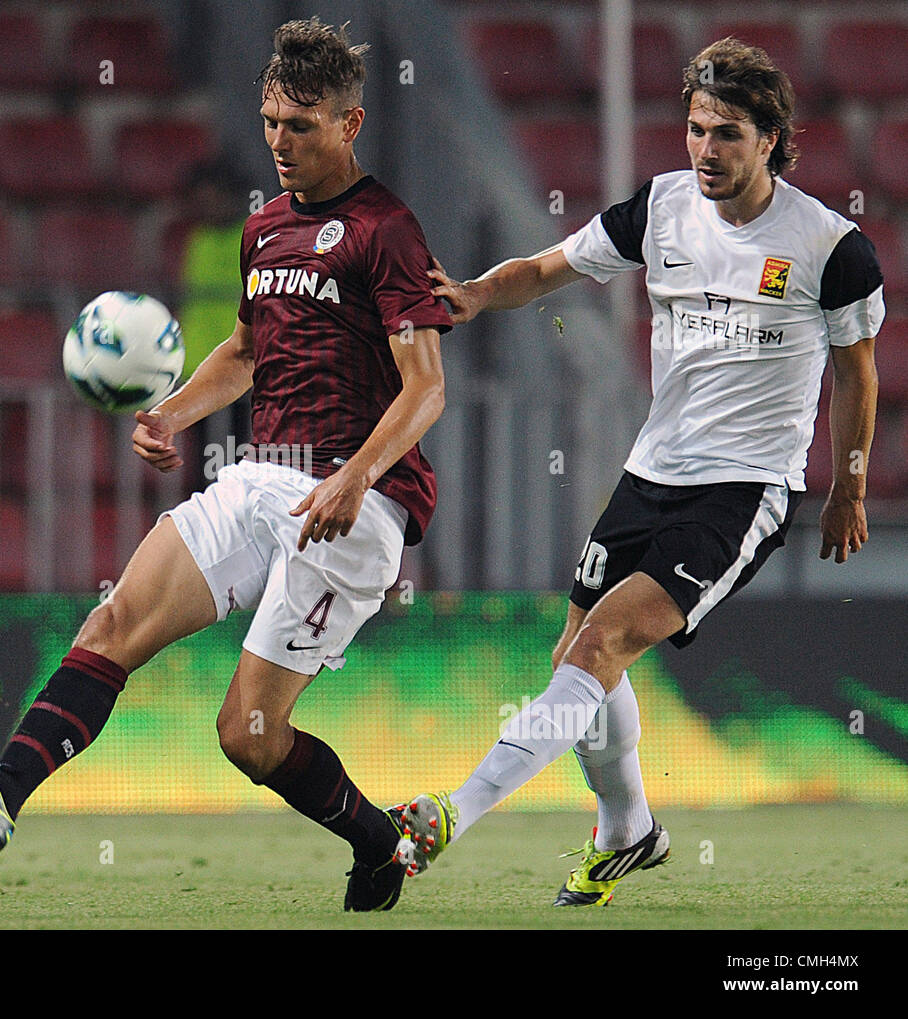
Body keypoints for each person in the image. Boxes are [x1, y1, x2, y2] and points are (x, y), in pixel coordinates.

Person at [0, 17, 451, 912]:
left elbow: (425, 387)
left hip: (357, 503)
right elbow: (243, 348)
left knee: (249, 735)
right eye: (270, 120)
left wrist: (355, 478)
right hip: (258, 474)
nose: (278, 140)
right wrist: (171, 411)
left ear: (349, 127)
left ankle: (380, 842)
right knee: (113, 621)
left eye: (300, 125)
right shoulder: (263, 228)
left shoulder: (386, 229)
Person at [398, 37, 883, 906]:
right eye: (696, 130)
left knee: (598, 646)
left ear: (771, 137)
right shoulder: (658, 211)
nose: (705, 150)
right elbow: (550, 267)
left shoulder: (828, 246)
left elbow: (858, 372)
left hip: (743, 490)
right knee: (577, 663)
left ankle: (449, 812)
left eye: (727, 134)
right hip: (650, 472)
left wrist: (846, 485)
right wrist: (473, 291)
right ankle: (630, 830)